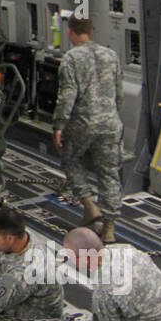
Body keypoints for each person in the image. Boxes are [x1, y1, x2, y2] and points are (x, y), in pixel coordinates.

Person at [52, 16, 124, 242]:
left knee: (70, 158)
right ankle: (109, 228)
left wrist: (59, 125)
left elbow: (67, 95)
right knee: (110, 173)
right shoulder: (111, 55)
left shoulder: (71, 58)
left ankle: (89, 205)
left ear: (71, 32)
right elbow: (119, 92)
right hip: (111, 123)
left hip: (83, 123)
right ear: (90, 32)